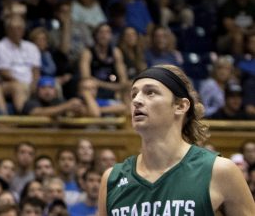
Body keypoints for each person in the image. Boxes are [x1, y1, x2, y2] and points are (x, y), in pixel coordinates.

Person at [98, 65, 254, 216]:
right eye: (133, 94)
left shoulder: (220, 171)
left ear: (180, 106)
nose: (136, 101)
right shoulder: (112, 179)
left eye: (150, 92)